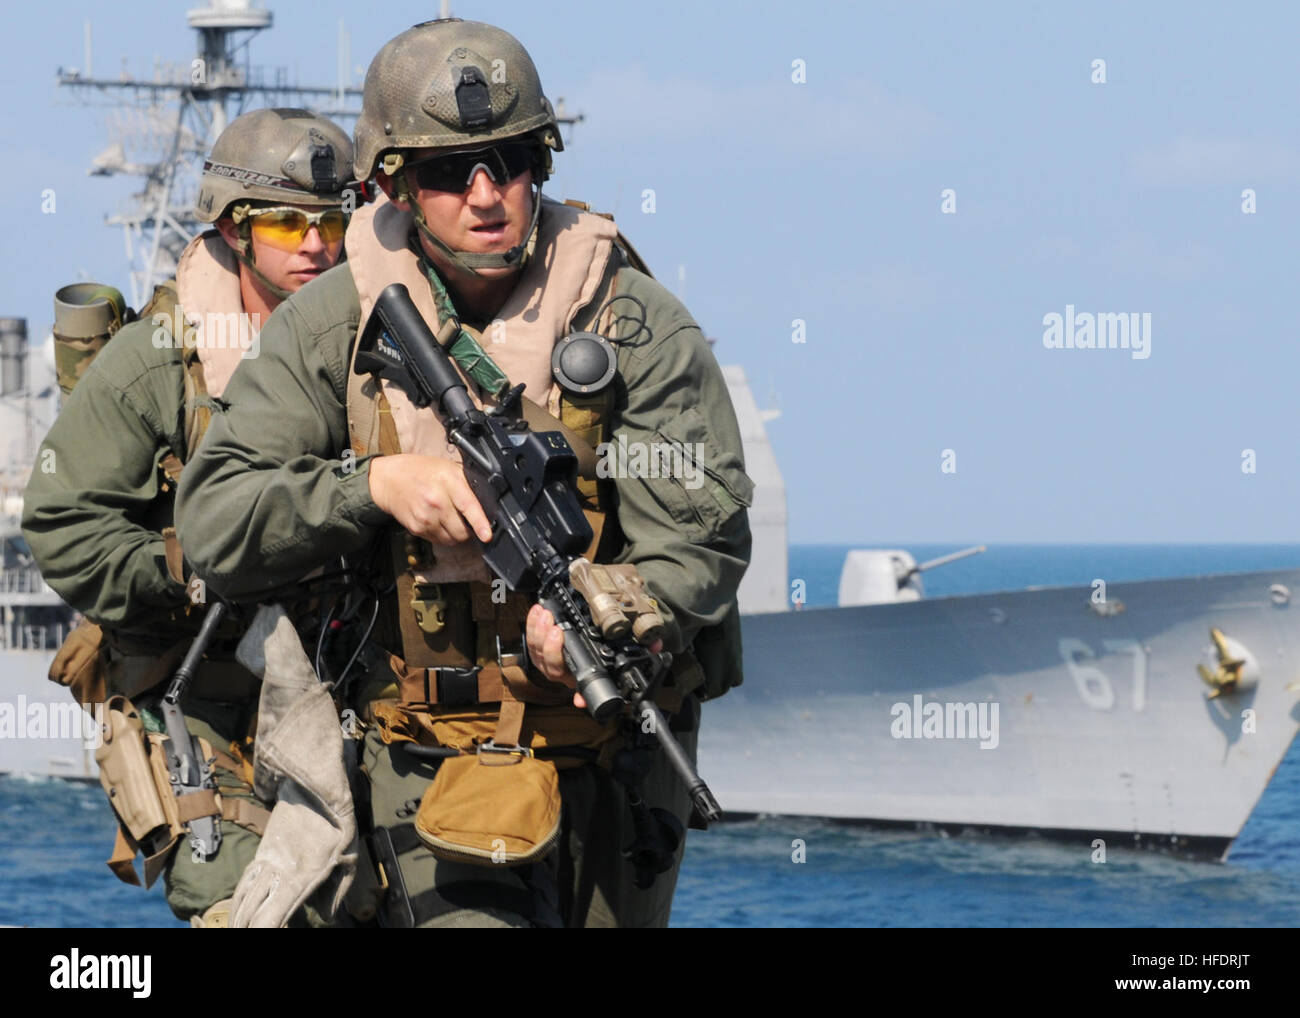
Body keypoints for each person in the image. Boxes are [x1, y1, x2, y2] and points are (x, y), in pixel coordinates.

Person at [175, 18, 752, 928]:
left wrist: (628, 605)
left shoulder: (634, 325)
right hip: (426, 752)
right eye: (450, 173)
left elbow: (706, 534)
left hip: (613, 755)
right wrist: (375, 489)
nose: (486, 196)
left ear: (542, 165)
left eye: (511, 161)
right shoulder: (335, 328)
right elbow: (215, 520)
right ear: (395, 186)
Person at [21, 107, 353, 927]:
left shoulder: (372, 337)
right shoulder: (163, 359)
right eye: (284, 222)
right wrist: (189, 570)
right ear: (235, 231)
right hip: (196, 693)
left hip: (342, 683)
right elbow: (62, 520)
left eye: (334, 222)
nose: (313, 244)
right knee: (242, 910)